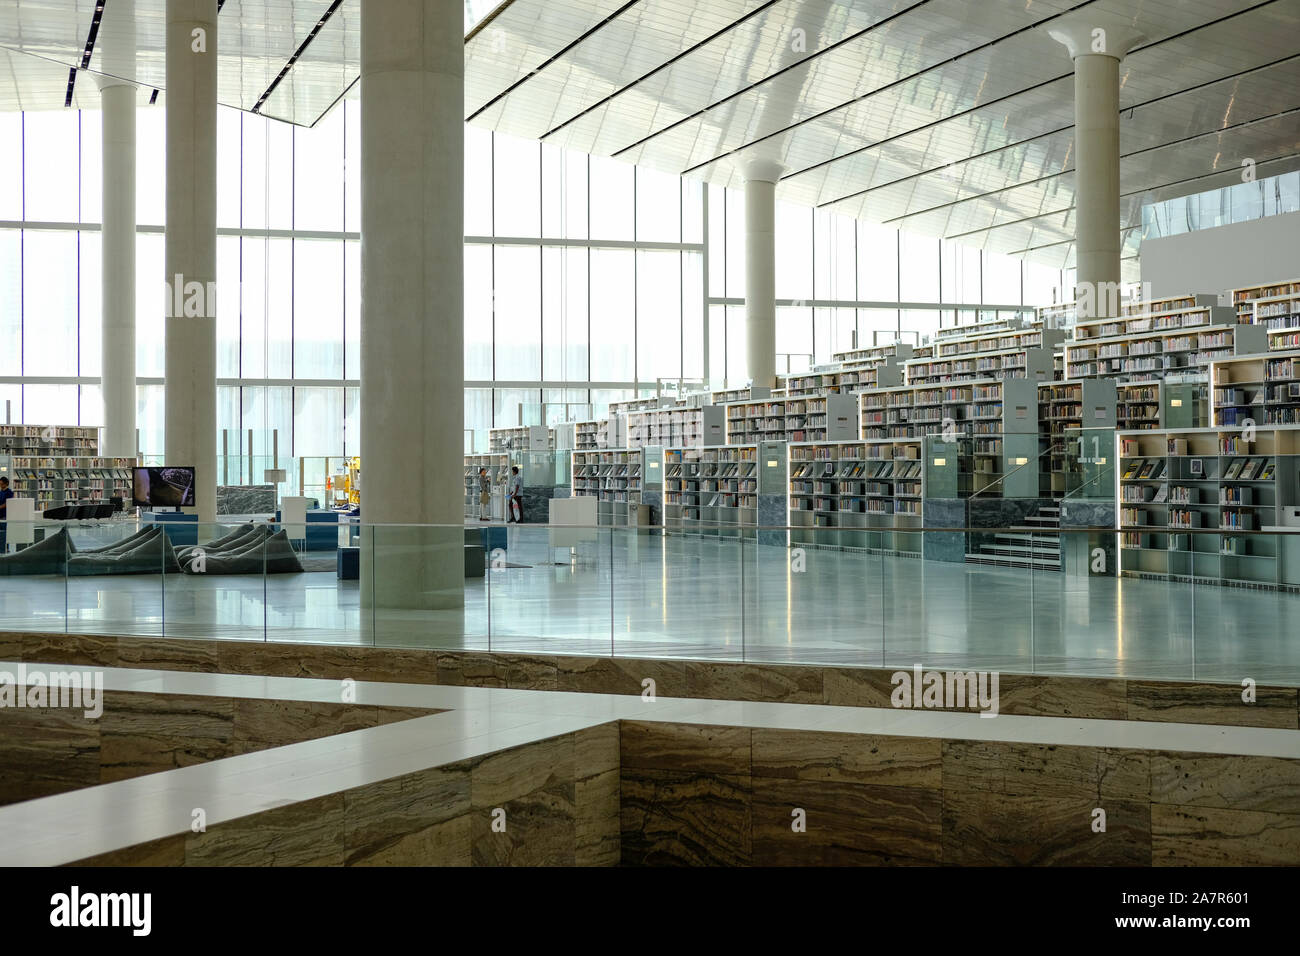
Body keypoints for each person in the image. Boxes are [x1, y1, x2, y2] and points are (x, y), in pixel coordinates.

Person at [0, 476, 13, 553]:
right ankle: (1, 548)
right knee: (1, 533)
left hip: (5, 515)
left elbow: (7, 503)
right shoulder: (0, 492)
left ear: (6, 484)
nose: (1, 485)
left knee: (5, 533)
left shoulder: (9, 492)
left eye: (2, 484)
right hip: (0, 515)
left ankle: (6, 548)